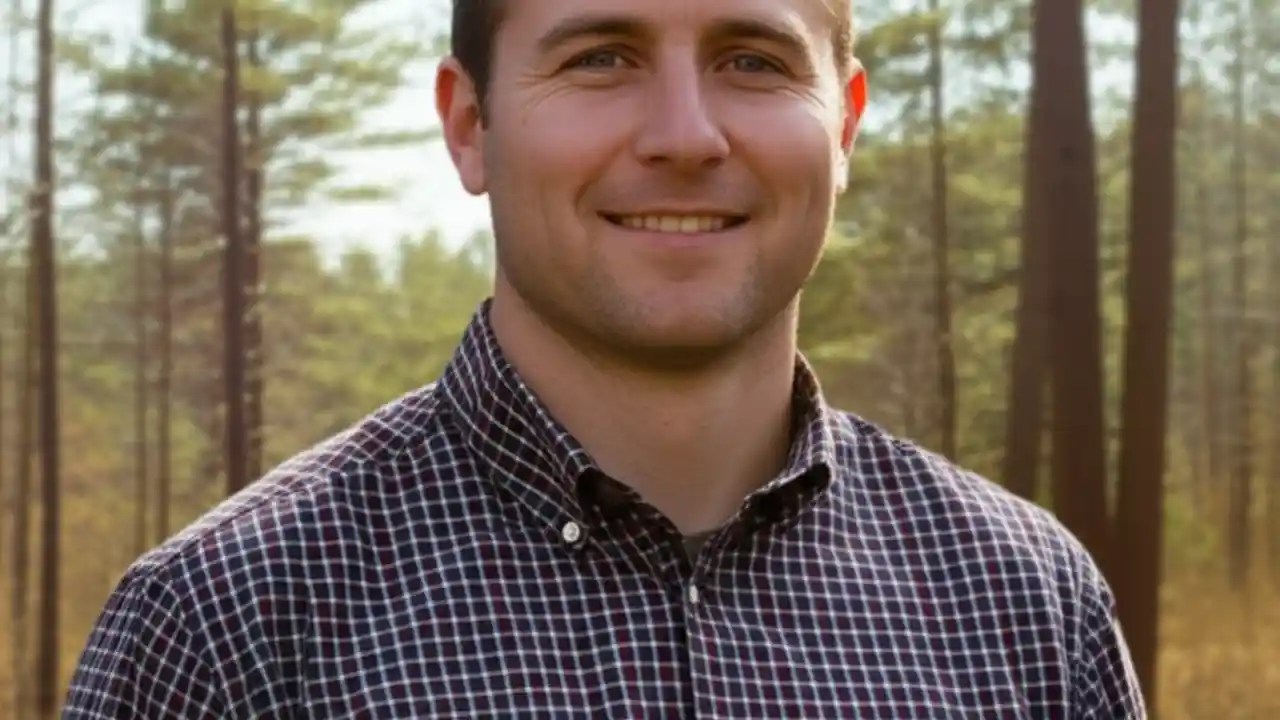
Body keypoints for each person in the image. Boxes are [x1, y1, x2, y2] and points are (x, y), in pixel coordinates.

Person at [64, 0, 1146, 717]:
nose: (684, 134)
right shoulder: (227, 624)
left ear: (845, 126)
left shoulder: (1024, 604)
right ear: (469, 125)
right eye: (601, 58)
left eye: (751, 61)